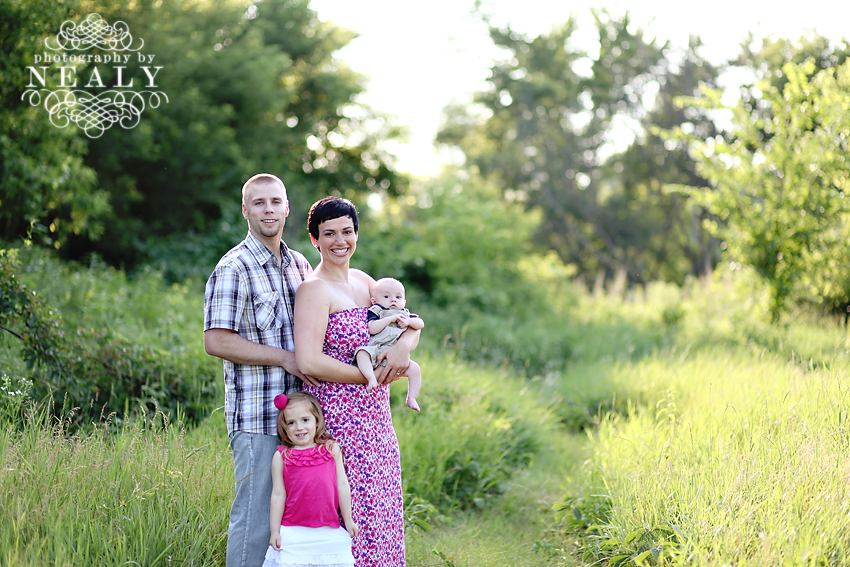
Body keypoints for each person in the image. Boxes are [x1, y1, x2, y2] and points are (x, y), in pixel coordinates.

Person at [294, 196, 418, 567]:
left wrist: (403, 352)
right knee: (351, 512)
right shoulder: (313, 289)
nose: (339, 241)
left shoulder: (365, 282)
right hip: (338, 419)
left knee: (381, 506)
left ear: (356, 234)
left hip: (375, 418)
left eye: (346, 231)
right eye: (328, 233)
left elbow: (407, 320)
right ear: (315, 240)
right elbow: (309, 360)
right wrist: (374, 379)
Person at [203, 173, 312, 567]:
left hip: (302, 419)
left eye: (275, 202)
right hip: (258, 417)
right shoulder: (234, 266)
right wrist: (284, 357)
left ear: (287, 208)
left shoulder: (299, 263)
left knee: (293, 517)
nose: (269, 210)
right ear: (245, 210)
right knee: (254, 521)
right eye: (259, 203)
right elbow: (216, 340)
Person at [263, 391, 358, 567]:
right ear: (284, 428)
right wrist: (274, 531)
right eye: (291, 423)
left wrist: (349, 519)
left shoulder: (330, 449)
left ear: (317, 420)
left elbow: (342, 485)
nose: (299, 427)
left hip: (328, 529)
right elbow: (277, 495)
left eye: (305, 420)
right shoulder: (282, 456)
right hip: (293, 531)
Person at [354, 277, 424, 411]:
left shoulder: (405, 314)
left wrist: (409, 322)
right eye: (387, 296)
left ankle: (412, 397)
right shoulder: (378, 311)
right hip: (376, 349)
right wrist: (389, 319)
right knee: (362, 353)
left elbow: (420, 324)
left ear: (404, 302)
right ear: (374, 300)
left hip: (395, 352)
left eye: (398, 297)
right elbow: (372, 328)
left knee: (415, 369)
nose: (393, 300)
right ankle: (370, 378)